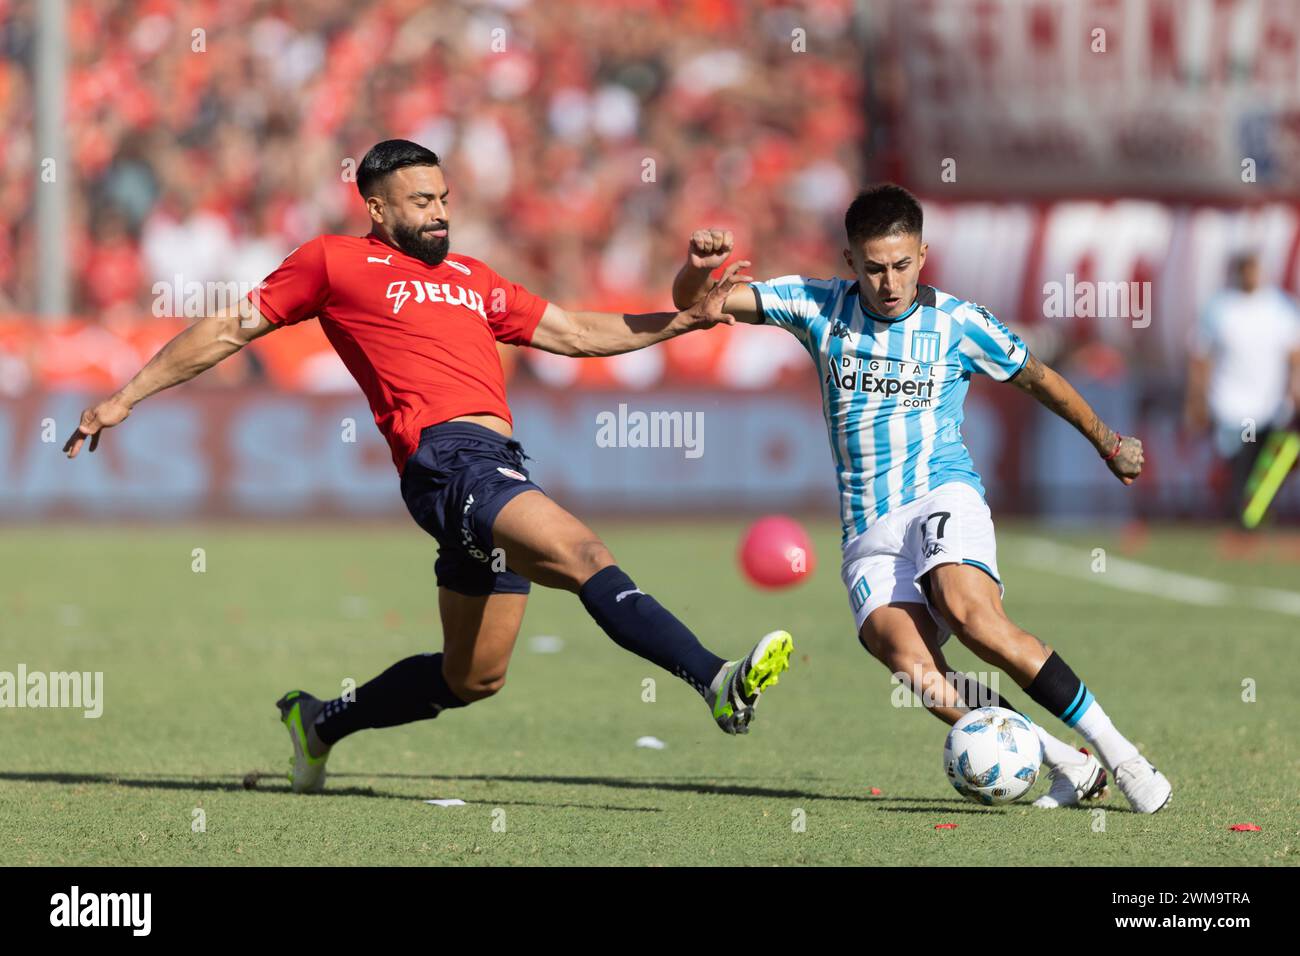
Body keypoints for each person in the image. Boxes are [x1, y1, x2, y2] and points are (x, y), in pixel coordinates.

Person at [64, 140, 794, 793]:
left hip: (492, 464)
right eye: (422, 201)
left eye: (444, 198)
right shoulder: (333, 261)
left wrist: (684, 319)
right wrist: (127, 396)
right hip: (447, 462)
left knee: (472, 676)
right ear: (377, 207)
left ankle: (319, 723)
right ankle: (716, 679)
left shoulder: (475, 277)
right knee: (583, 554)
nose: (440, 212)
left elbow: (573, 330)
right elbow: (230, 327)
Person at [672, 184, 1172, 812]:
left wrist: (1107, 441)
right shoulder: (814, 304)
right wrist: (696, 271)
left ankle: (1124, 758)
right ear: (850, 261)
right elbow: (697, 307)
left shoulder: (959, 322)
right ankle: (1067, 762)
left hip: (940, 490)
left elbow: (1038, 379)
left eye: (902, 265)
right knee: (918, 671)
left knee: (971, 617)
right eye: (875, 267)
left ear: (923, 255)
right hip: (865, 529)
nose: (889, 282)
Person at [1185, 250, 1300, 525]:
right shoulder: (1219, 307)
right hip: (1231, 405)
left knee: (1271, 461)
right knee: (1240, 464)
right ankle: (1244, 521)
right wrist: (1197, 397)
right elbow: (1200, 356)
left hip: (1270, 404)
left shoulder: (1280, 307)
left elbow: (1294, 353)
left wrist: (1294, 388)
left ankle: (1253, 516)